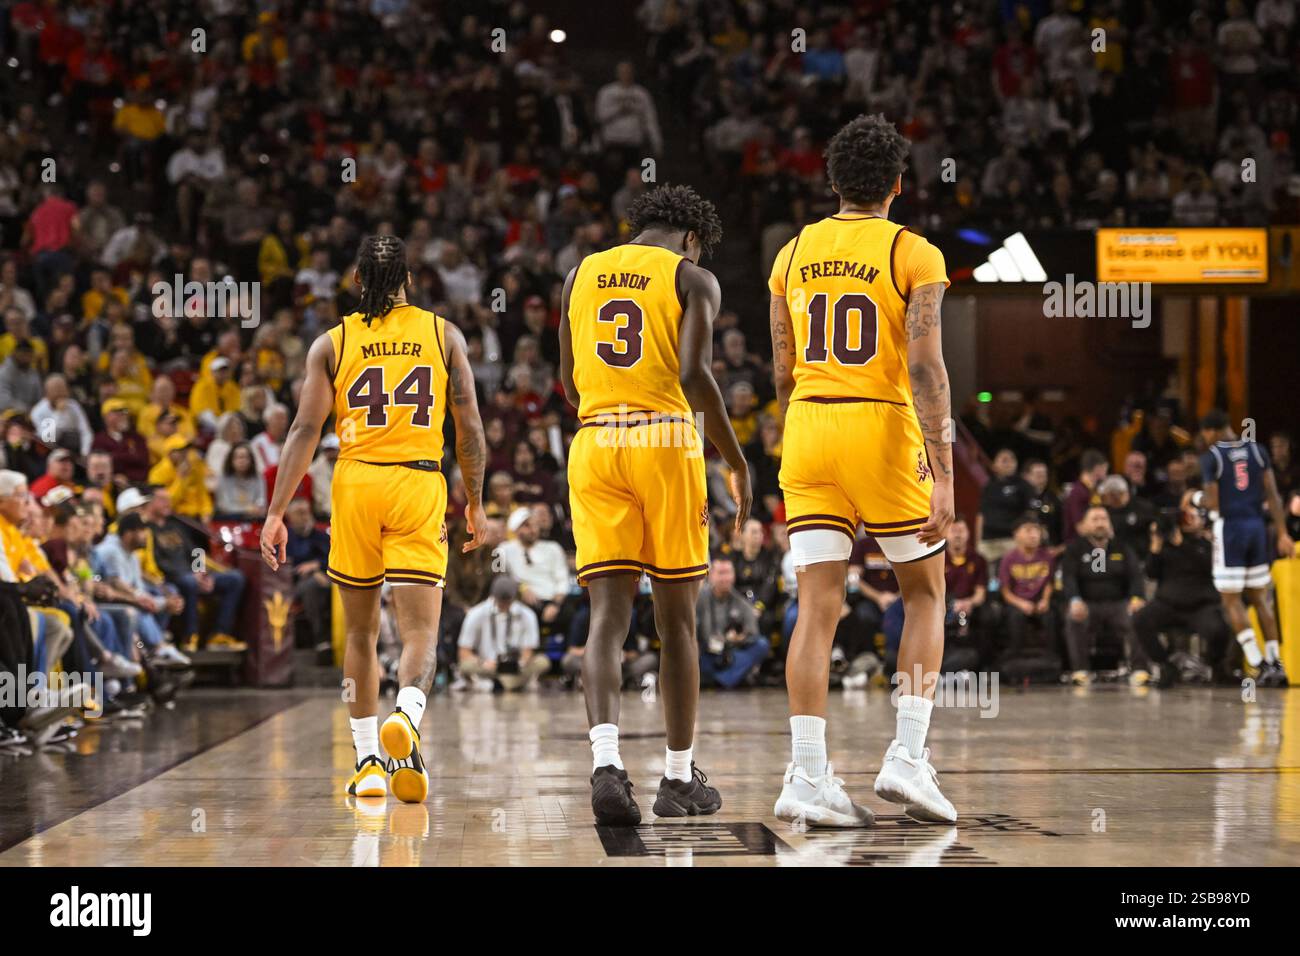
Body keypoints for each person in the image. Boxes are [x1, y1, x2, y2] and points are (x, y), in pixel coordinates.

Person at [768, 114, 955, 826]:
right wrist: (941, 467)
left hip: (808, 426)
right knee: (925, 591)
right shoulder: (915, 252)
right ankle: (907, 757)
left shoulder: (791, 253)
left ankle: (808, 777)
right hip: (879, 425)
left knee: (817, 605)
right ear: (898, 186)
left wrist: (800, 434)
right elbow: (925, 366)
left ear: (832, 181)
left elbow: (783, 369)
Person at [261, 235, 488, 804]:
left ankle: (366, 763)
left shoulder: (332, 343)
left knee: (360, 632)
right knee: (419, 633)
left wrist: (276, 512)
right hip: (416, 483)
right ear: (410, 281)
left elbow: (303, 432)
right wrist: (477, 502)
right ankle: (407, 718)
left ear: (358, 283)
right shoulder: (443, 334)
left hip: (355, 482)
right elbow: (471, 429)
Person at [558, 183, 749, 825]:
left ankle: (606, 765)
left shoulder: (579, 274)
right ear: (692, 239)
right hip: (665, 440)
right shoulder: (692, 278)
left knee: (607, 619)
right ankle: (675, 776)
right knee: (678, 624)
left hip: (594, 442)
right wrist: (735, 458)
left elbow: (568, 380)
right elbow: (695, 376)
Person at [1198, 409, 1294, 686]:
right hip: (1257, 528)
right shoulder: (1258, 450)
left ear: (1211, 432)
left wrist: (1195, 499)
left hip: (1230, 529)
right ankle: (1277, 662)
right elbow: (1273, 495)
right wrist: (1283, 533)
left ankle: (1257, 662)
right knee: (1261, 597)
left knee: (1231, 599)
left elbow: (1213, 502)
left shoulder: (1212, 457)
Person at [1061, 505, 1147, 684]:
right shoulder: (1074, 549)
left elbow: (1135, 577)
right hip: (1087, 604)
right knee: (1073, 617)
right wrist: (1075, 600)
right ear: (1083, 526)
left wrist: (1136, 598)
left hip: (1118, 603)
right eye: (1095, 519)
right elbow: (1068, 578)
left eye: (1104, 519)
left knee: (1139, 616)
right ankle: (1080, 670)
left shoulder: (1122, 547)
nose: (1100, 524)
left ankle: (1140, 669)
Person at [456, 575, 549, 691]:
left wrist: (519, 662)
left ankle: (498, 685)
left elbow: (527, 651)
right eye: (501, 602)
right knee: (466, 666)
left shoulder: (527, 615)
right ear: (493, 596)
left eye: (508, 602)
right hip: (487, 667)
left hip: (516, 668)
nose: (505, 605)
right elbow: (464, 652)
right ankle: (510, 684)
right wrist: (483, 662)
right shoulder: (476, 613)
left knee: (542, 662)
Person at [696, 558, 769, 688]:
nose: (725, 578)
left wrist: (740, 638)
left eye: (728, 572)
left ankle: (720, 681)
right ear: (711, 575)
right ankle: (729, 679)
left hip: (731, 654)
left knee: (761, 644)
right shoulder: (700, 598)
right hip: (706, 653)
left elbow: (753, 632)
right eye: (721, 573)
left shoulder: (740, 601)